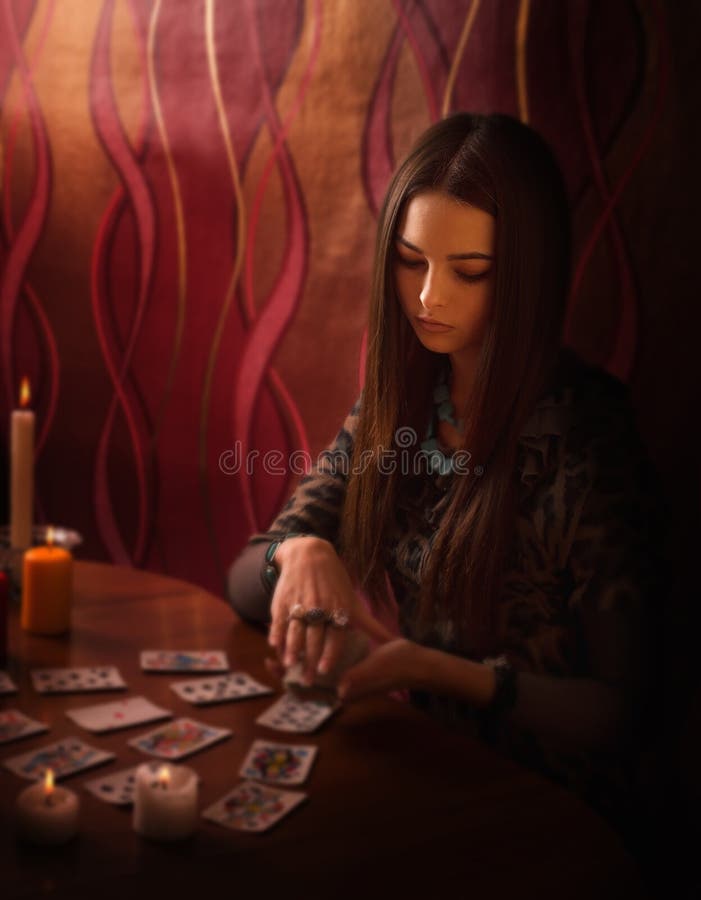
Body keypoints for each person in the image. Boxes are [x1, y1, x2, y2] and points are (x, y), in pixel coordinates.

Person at [226, 112, 662, 832]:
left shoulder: (587, 440)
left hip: (559, 815)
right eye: (409, 260)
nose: (429, 297)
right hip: (434, 776)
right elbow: (245, 580)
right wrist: (299, 551)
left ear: (525, 274)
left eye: (469, 272)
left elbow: (622, 714)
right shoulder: (397, 408)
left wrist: (425, 669)